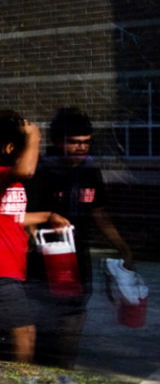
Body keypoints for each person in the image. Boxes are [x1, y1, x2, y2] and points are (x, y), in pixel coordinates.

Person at [0, 111, 68, 384]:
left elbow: (11, 216)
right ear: (12, 147)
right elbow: (26, 170)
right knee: (25, 332)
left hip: (11, 267)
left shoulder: (3, 176)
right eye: (27, 146)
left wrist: (46, 216)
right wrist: (35, 136)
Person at [31, 107, 136, 370]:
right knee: (46, 315)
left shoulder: (89, 170)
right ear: (58, 142)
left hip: (77, 255)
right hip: (43, 257)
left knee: (75, 311)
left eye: (86, 142)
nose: (81, 148)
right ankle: (41, 369)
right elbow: (23, 216)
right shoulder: (41, 171)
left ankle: (65, 369)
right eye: (74, 142)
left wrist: (122, 247)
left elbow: (98, 212)